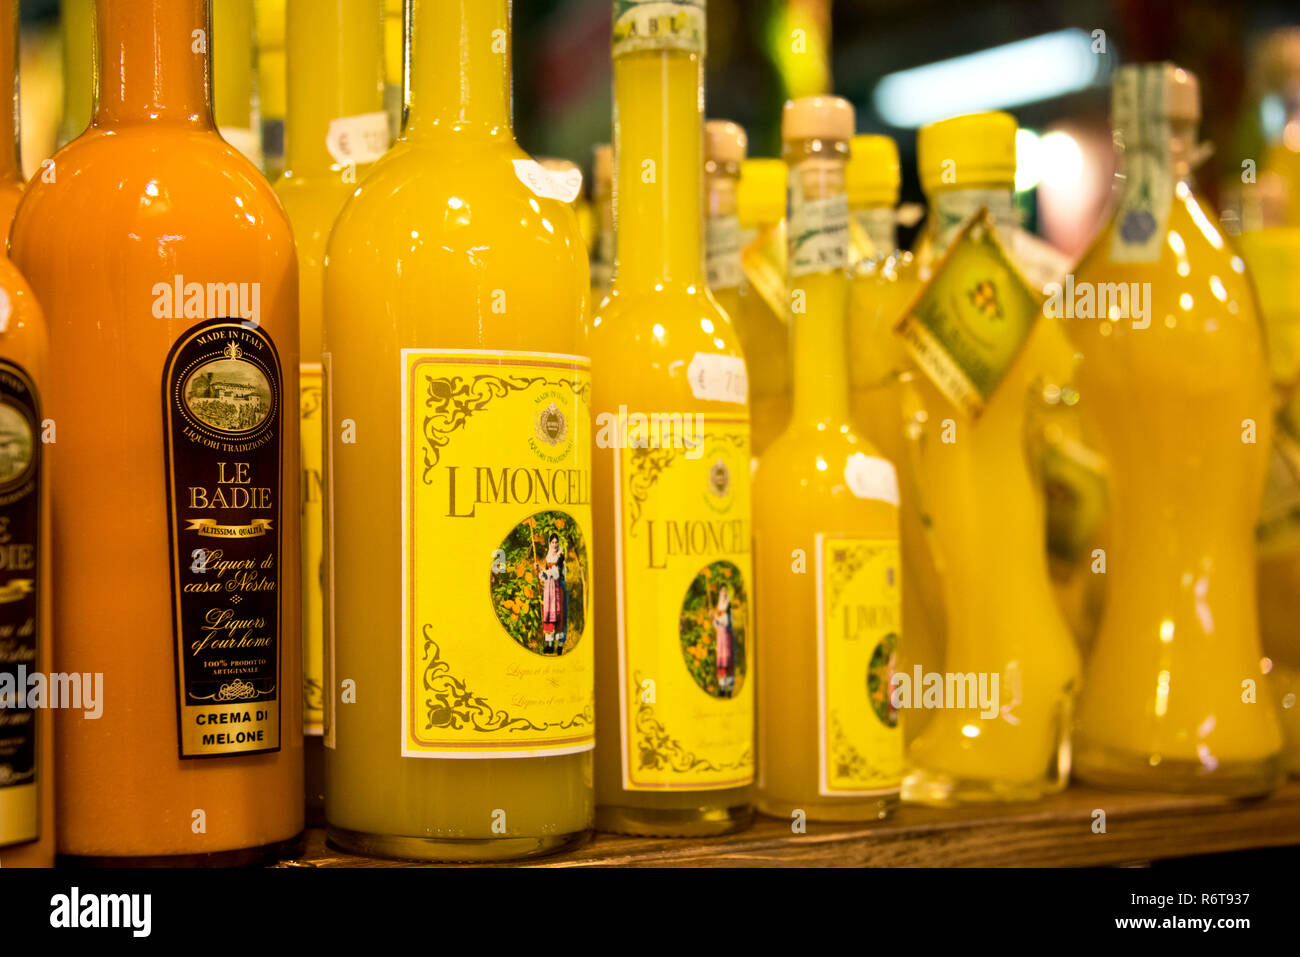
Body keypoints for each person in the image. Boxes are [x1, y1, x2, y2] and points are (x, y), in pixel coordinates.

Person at [538, 533, 567, 654]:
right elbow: (545, 576)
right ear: (549, 544)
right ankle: (550, 645)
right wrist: (540, 571)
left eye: (556, 542)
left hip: (558, 587)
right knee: (549, 614)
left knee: (559, 615)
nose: (555, 544)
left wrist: (544, 570)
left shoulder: (561, 557)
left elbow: (555, 573)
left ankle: (559, 645)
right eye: (552, 542)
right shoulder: (548, 557)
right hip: (549, 590)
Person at [713, 585, 735, 696]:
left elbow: (727, 623)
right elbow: (715, 623)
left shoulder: (728, 612)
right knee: (721, 661)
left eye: (724, 594)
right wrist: (715, 616)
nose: (722, 596)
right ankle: (722, 687)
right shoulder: (720, 610)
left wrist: (718, 617)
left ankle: (729, 687)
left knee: (727, 660)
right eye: (721, 594)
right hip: (720, 640)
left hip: (726, 638)